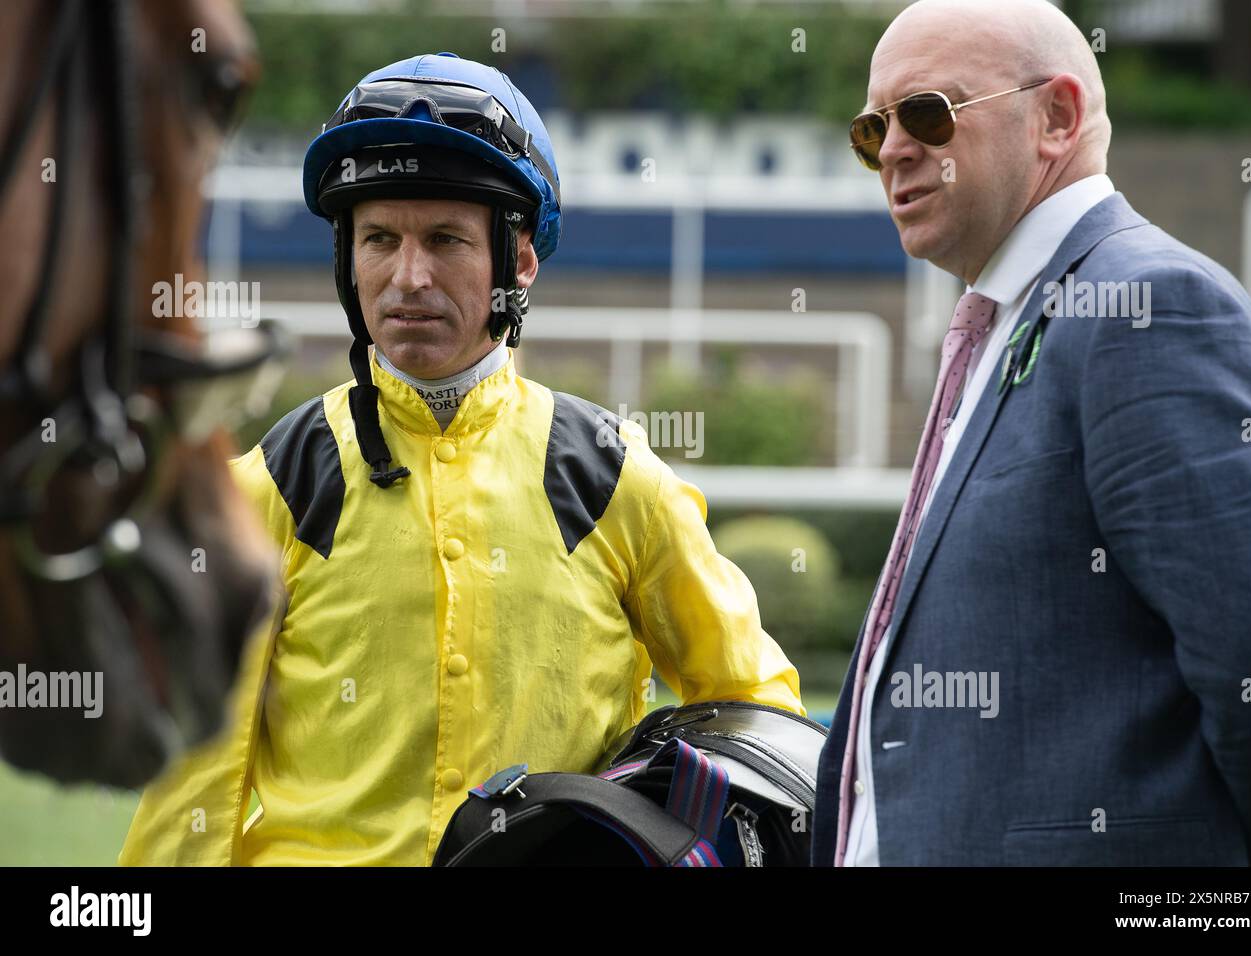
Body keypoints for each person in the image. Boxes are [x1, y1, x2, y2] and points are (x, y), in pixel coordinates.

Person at [120, 52, 803, 866]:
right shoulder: (270, 487)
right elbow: (195, 777)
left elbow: (756, 717)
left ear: (519, 262)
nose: (408, 277)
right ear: (347, 259)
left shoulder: (615, 479)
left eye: (445, 239)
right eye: (379, 238)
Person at [815, 0, 1251, 866]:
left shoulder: (1146, 308)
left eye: (927, 112)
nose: (892, 148)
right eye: (870, 129)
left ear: (1058, 118)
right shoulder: (1010, 317)